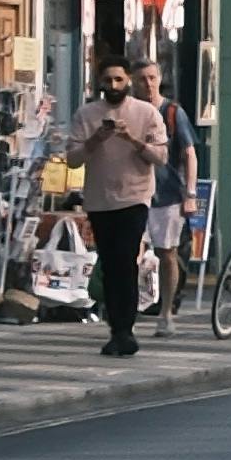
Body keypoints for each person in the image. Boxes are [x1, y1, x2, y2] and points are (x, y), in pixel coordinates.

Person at [75, 44, 170, 359]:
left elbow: (160, 157)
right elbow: (72, 159)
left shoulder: (146, 114)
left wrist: (131, 139)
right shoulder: (87, 115)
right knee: (110, 263)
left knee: (125, 260)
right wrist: (96, 139)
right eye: (107, 80)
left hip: (134, 197)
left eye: (118, 79)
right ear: (99, 82)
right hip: (100, 200)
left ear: (128, 80)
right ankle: (116, 325)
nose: (113, 86)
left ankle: (124, 329)